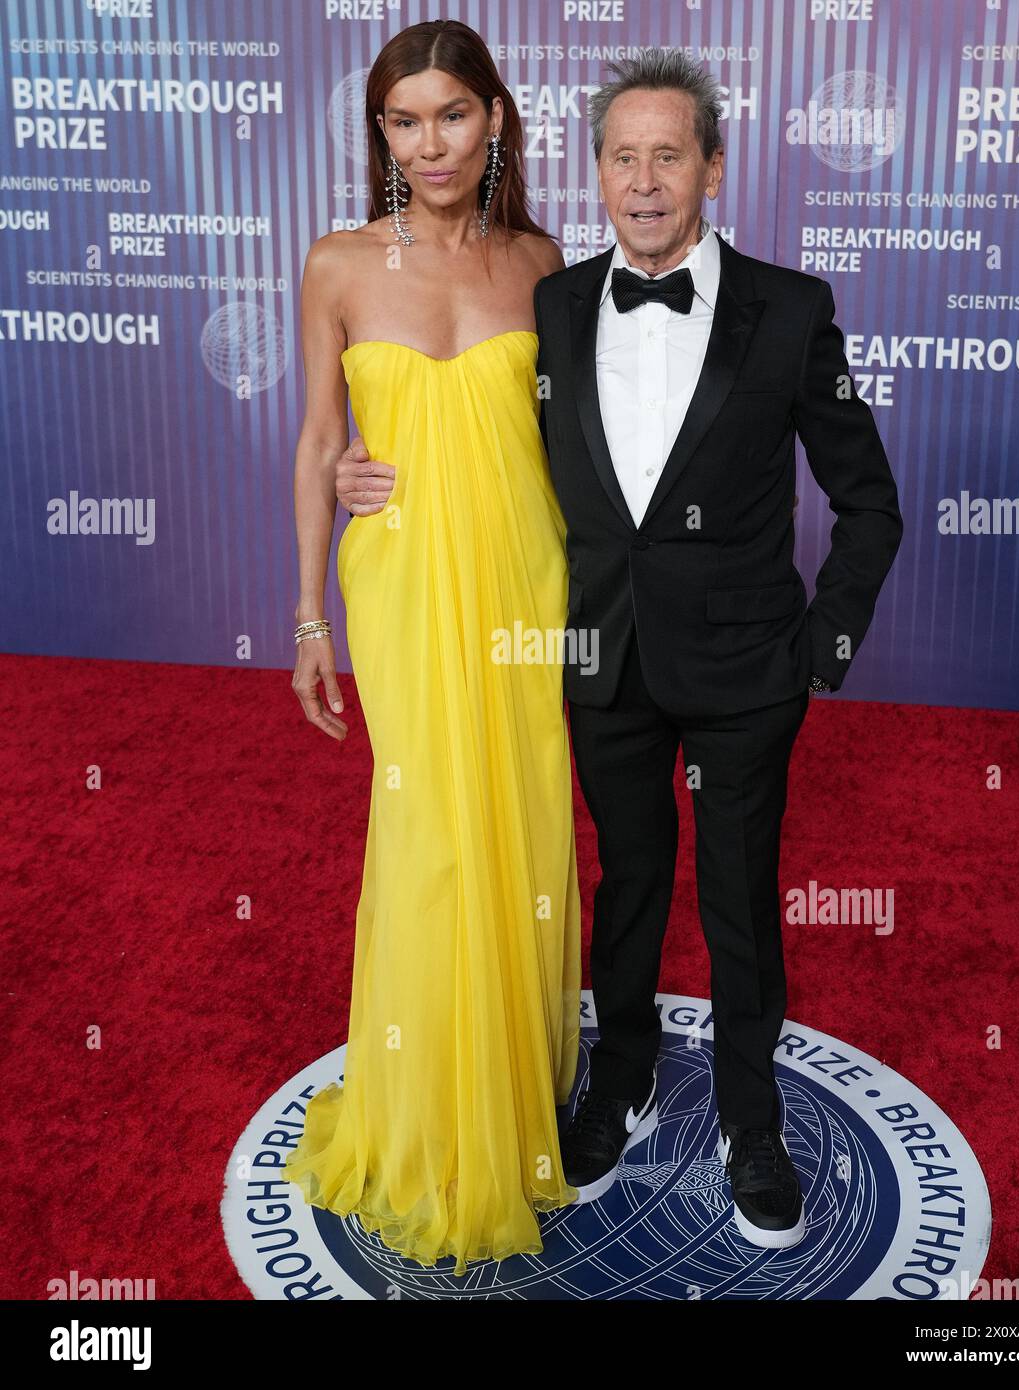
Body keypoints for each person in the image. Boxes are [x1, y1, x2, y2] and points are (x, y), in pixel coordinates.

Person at [530, 51, 903, 1248]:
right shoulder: (553, 303)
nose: (642, 182)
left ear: (712, 168)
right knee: (625, 886)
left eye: (667, 155)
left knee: (739, 902)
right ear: (595, 171)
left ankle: (752, 1120)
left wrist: (819, 647)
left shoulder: (789, 309)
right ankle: (621, 1081)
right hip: (606, 662)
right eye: (620, 157)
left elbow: (868, 502)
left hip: (749, 673)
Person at [282, 19, 580, 1275]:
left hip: (523, 576)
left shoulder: (542, 262)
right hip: (400, 583)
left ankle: (513, 1092)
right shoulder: (339, 264)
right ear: (381, 136)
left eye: (451, 114)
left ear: (495, 118)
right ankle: (423, 1112)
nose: (429, 143)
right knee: (428, 835)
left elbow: (575, 445)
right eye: (402, 121)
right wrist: (307, 616)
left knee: (520, 822)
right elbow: (315, 442)